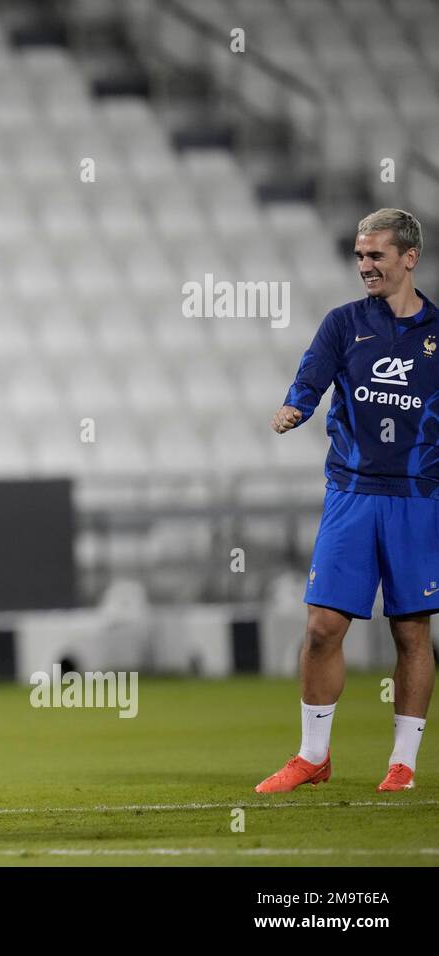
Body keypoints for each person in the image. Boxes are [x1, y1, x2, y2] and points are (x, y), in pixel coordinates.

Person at [260, 208, 433, 794]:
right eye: (360, 256)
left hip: (417, 499)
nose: (365, 266)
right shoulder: (342, 325)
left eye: (376, 256)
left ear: (409, 257)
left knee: (411, 632)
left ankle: (402, 764)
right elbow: (310, 379)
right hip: (351, 496)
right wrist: (295, 407)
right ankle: (313, 756)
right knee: (321, 627)